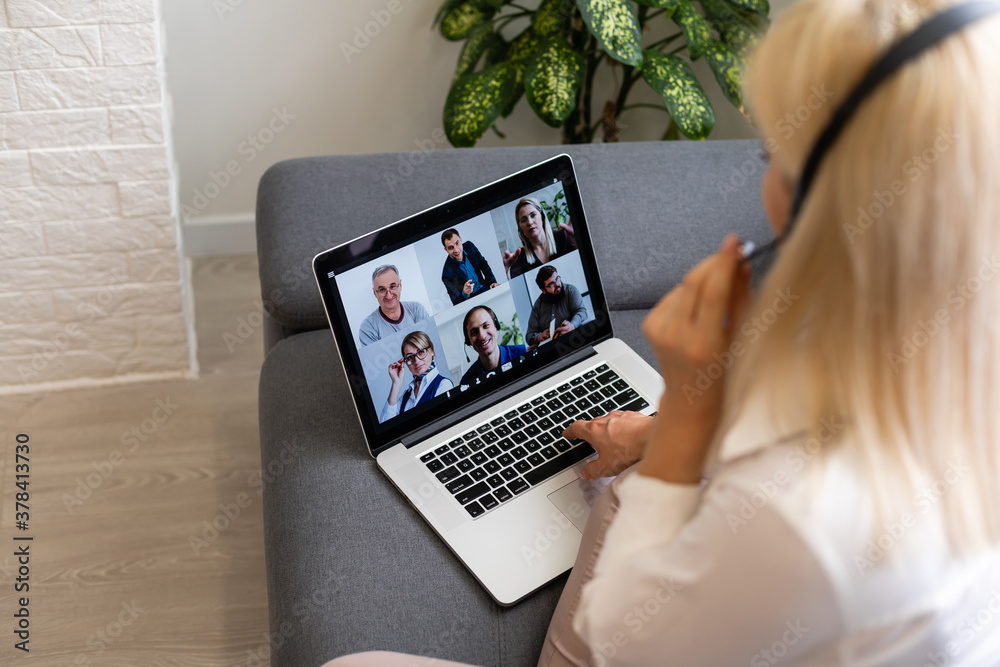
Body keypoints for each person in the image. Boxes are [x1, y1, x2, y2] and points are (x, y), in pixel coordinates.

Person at [325, 0, 1000, 664]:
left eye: (772, 154)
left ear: (817, 202)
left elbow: (618, 637)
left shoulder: (802, 522)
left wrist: (685, 411)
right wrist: (671, 435)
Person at [379, 331, 453, 422]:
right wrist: (396, 383)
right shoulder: (406, 396)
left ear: (432, 351)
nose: (417, 361)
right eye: (410, 357)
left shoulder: (443, 385)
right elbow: (386, 424)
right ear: (404, 362)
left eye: (421, 352)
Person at [503, 197, 576, 279]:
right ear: (520, 228)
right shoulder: (520, 257)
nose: (530, 222)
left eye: (533, 215)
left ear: (542, 216)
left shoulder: (563, 236)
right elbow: (516, 286)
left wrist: (577, 240)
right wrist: (506, 270)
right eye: (523, 220)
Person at [358, 265, 429, 347]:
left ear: (400, 285)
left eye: (392, 286)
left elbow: (429, 345)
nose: (388, 295)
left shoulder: (416, 309)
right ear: (375, 293)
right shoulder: (368, 327)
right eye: (382, 290)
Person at [459, 305, 526, 385]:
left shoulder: (525, 352)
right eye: (474, 332)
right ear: (469, 341)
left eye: (486, 326)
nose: (482, 336)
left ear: (496, 326)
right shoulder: (467, 382)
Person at [525, 266, 587, 347]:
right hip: (551, 348)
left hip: (575, 341)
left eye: (557, 279)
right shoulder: (538, 305)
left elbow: (582, 311)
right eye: (551, 284)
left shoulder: (571, 290)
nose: (557, 284)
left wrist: (573, 325)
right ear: (543, 290)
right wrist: (538, 337)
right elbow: (529, 335)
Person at [440, 229, 500, 305]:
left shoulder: (469, 246)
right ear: (446, 250)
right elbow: (456, 302)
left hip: (485, 287)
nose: (456, 250)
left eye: (457, 243)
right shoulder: (446, 274)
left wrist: (493, 283)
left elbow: (484, 265)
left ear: (461, 239)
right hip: (471, 300)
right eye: (451, 247)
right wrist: (465, 293)